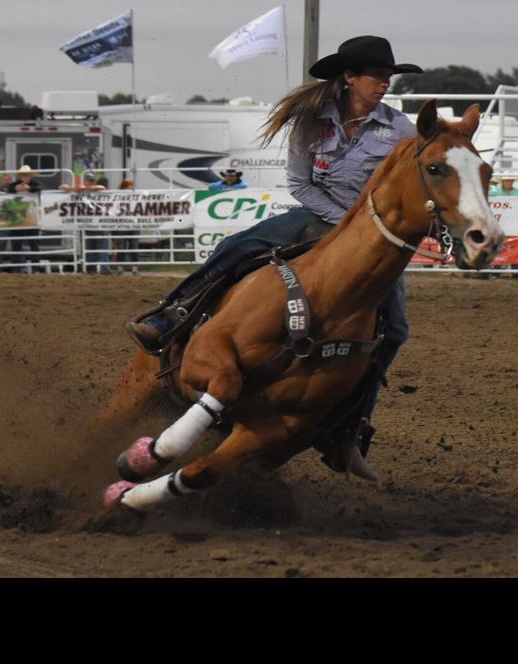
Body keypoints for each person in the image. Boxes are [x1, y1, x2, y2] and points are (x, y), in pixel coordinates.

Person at [125, 34, 425, 480]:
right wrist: (345, 224)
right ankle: (173, 313)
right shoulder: (311, 122)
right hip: (317, 218)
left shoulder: (400, 130)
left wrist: (365, 234)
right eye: (377, 76)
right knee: (239, 247)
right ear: (350, 77)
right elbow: (301, 184)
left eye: (387, 77)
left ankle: (347, 430)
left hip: (369, 241)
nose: (384, 84)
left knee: (394, 330)